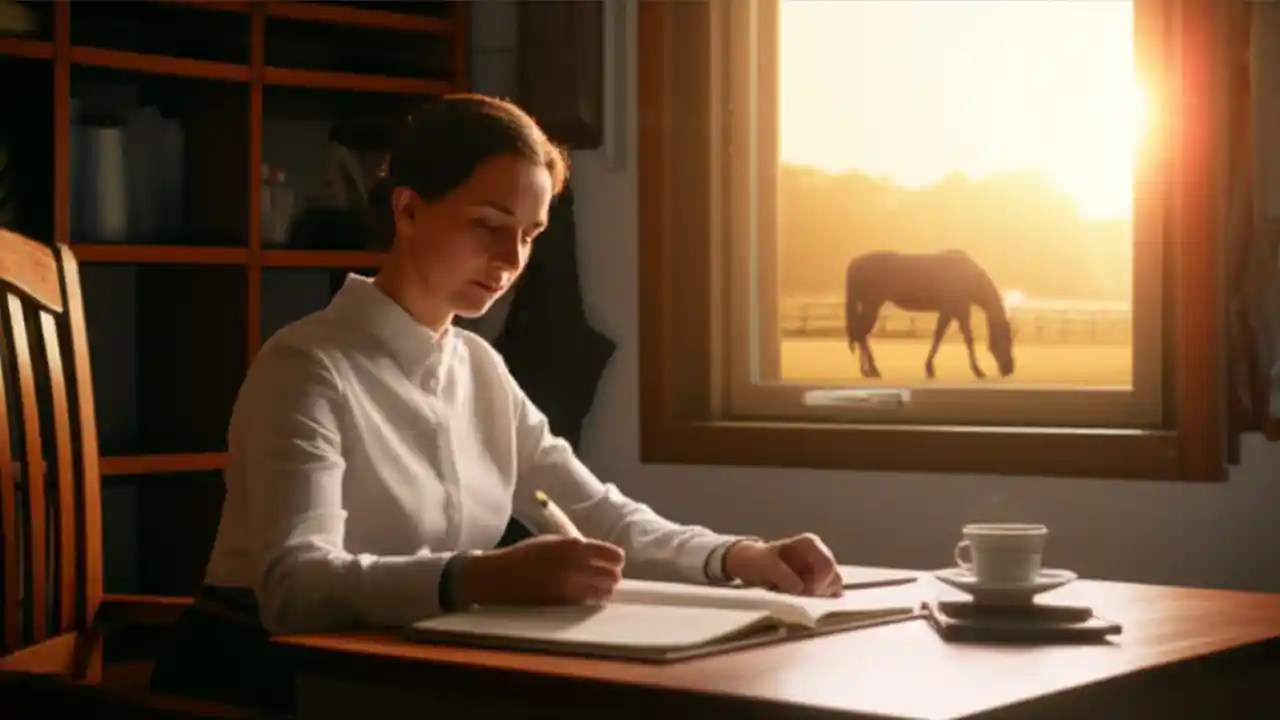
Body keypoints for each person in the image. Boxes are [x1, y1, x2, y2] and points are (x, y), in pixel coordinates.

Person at [149, 93, 844, 713]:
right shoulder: (307, 367)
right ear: (409, 209)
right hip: (262, 679)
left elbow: (600, 515)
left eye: (531, 235)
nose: (511, 258)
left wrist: (743, 557)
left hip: (414, 670)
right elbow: (293, 589)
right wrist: (484, 575)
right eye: (488, 224)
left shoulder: (479, 367)